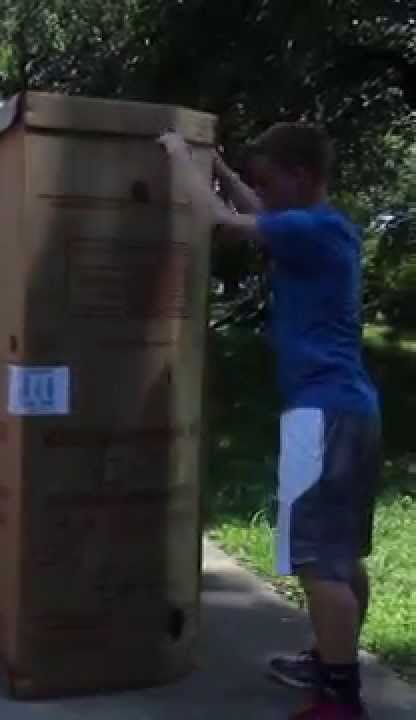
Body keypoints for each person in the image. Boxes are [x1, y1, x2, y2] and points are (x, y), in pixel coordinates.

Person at [161, 125, 380, 720]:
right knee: (340, 555)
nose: (262, 190)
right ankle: (332, 661)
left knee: (316, 561)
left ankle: (338, 699)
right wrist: (228, 174)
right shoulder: (326, 227)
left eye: (269, 178)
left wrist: (181, 158)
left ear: (302, 176)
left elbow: (218, 220)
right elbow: (253, 211)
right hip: (349, 408)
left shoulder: (308, 227)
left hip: (322, 411)